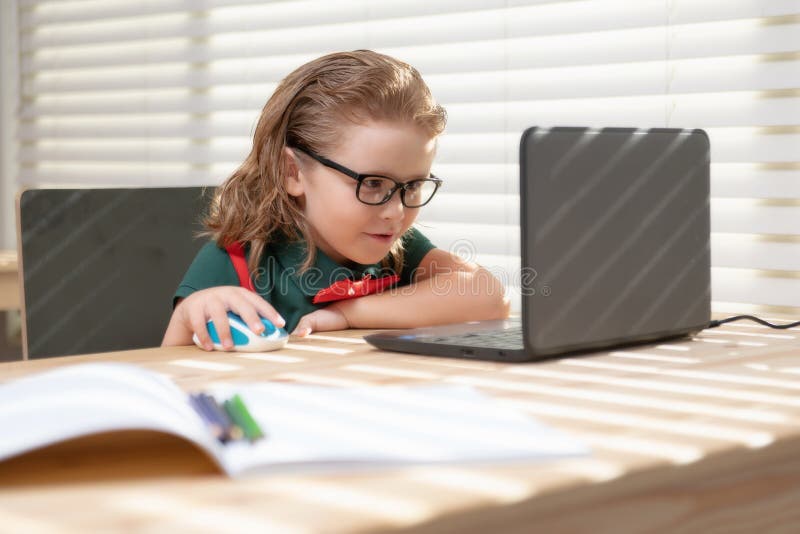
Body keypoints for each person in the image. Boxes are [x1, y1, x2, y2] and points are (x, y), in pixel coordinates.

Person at [162, 50, 509, 351]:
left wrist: (346, 314)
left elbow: (490, 296)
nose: (397, 211)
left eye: (414, 185)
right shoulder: (236, 260)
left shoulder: (396, 247)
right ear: (292, 172)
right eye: (373, 183)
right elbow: (167, 376)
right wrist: (188, 312)